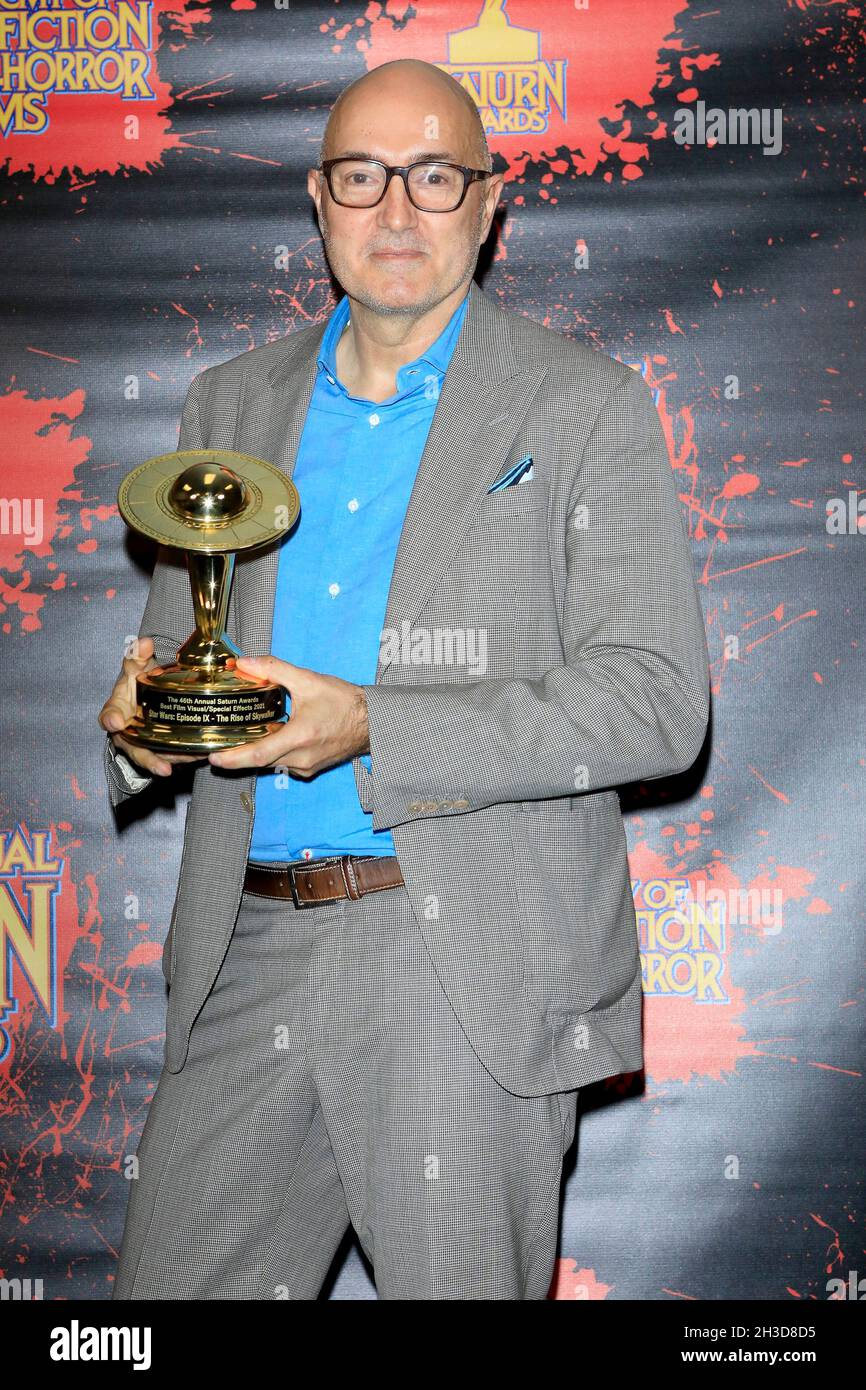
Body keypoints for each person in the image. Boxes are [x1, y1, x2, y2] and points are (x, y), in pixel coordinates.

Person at [99, 57, 709, 1300]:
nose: (394, 211)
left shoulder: (582, 406)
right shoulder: (227, 402)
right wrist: (142, 726)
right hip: (242, 951)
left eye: (433, 178)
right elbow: (177, 660)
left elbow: (656, 699)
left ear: (489, 207)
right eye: (362, 177)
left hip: (452, 962)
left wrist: (377, 724)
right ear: (317, 203)